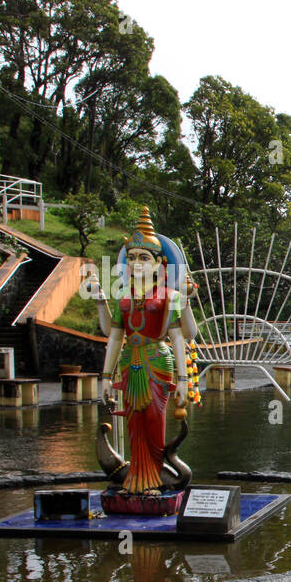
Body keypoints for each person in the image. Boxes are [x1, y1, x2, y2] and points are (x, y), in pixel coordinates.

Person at [97, 207, 199, 499]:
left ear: (159, 264)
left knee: (154, 419)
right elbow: (114, 337)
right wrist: (106, 377)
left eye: (144, 258)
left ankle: (153, 478)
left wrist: (183, 380)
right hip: (131, 364)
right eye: (131, 258)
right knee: (134, 421)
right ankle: (135, 479)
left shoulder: (169, 297)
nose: (137, 263)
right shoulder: (124, 298)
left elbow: (181, 337)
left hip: (158, 361)